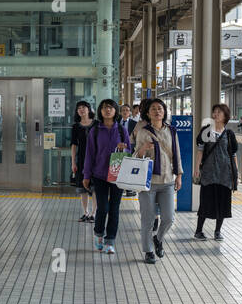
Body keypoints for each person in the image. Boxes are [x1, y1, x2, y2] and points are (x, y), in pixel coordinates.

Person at [132, 98, 183, 264]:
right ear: (148, 113)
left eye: (160, 109)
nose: (157, 111)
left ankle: (158, 239)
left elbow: (176, 153)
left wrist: (179, 175)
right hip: (148, 183)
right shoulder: (143, 132)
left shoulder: (172, 131)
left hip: (168, 181)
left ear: (164, 112)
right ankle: (148, 251)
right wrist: (143, 149)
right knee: (148, 218)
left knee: (168, 218)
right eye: (153, 109)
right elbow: (135, 157)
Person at [81, 98, 131, 255]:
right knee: (103, 207)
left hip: (118, 175)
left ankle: (110, 241)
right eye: (104, 108)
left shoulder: (122, 131)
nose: (107, 110)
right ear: (100, 111)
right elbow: (89, 155)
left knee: (114, 209)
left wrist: (124, 148)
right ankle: (99, 234)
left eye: (110, 107)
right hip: (100, 175)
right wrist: (86, 175)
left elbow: (129, 152)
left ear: (115, 110)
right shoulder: (95, 131)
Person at [195, 103, 239, 241]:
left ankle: (218, 231)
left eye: (219, 112)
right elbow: (200, 151)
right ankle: (198, 231)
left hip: (225, 174)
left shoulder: (229, 134)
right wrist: (197, 168)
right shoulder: (207, 131)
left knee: (223, 203)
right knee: (205, 201)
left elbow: (233, 155)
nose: (215, 114)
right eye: (214, 112)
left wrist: (235, 173)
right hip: (209, 173)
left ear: (225, 116)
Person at [69, 100, 95, 222]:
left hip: (96, 160)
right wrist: (73, 162)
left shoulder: (96, 124)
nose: (81, 110)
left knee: (95, 187)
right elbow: (74, 145)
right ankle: (85, 212)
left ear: (89, 109)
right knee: (82, 188)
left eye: (84, 107)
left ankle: (94, 213)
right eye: (79, 108)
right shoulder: (76, 126)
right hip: (82, 160)